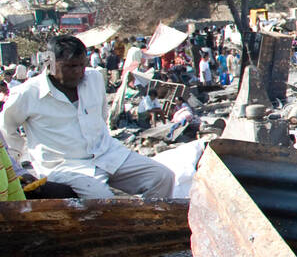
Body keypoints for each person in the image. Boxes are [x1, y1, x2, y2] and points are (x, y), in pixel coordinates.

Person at [1, 36, 174, 198]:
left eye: (81, 65)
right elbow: (6, 128)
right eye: (70, 66)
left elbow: (101, 116)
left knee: (162, 177)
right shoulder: (27, 93)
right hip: (65, 165)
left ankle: (150, 228)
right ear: (50, 63)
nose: (78, 72)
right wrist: (16, 169)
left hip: (107, 153)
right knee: (102, 200)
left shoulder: (94, 78)